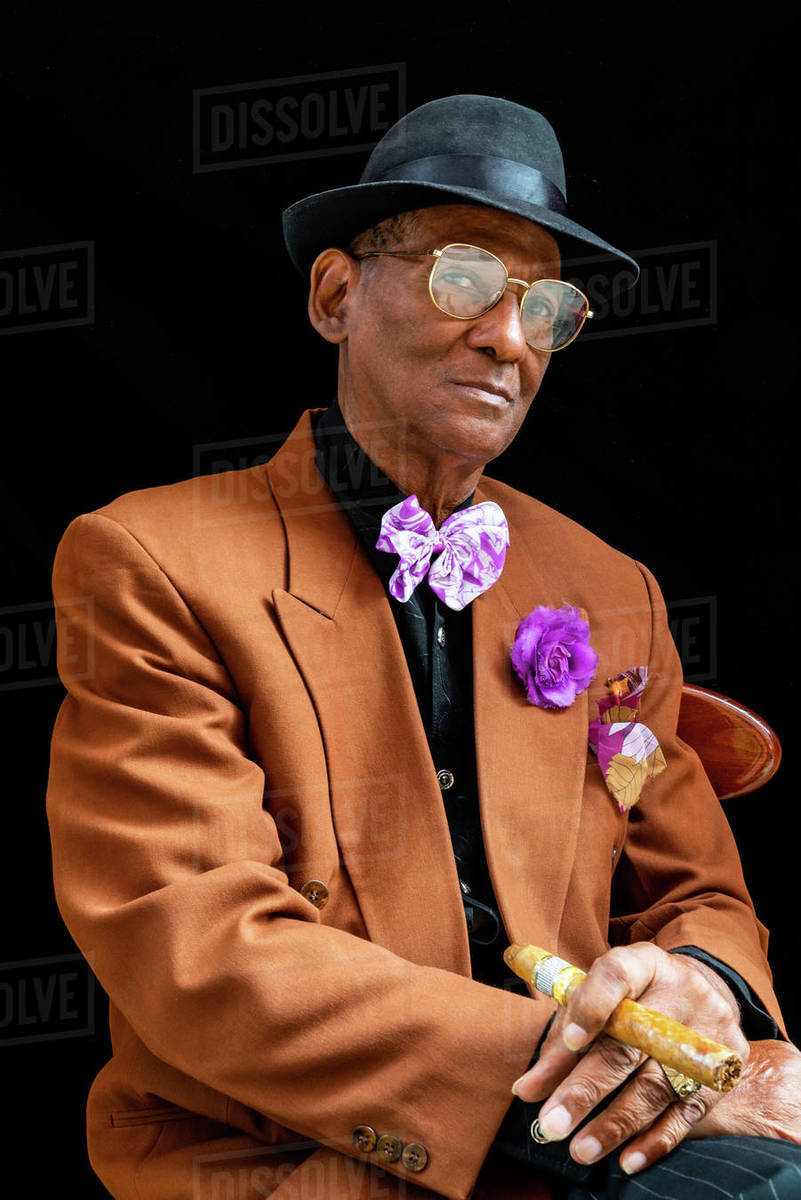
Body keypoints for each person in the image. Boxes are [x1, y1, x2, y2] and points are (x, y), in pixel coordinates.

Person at [46, 95, 801, 1200]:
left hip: (599, 1120)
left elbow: (700, 896)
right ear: (336, 295)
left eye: (546, 307)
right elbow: (200, 951)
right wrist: (571, 1068)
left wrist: (694, 984)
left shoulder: (608, 588)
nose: (508, 337)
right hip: (304, 1152)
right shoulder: (150, 560)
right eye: (463, 280)